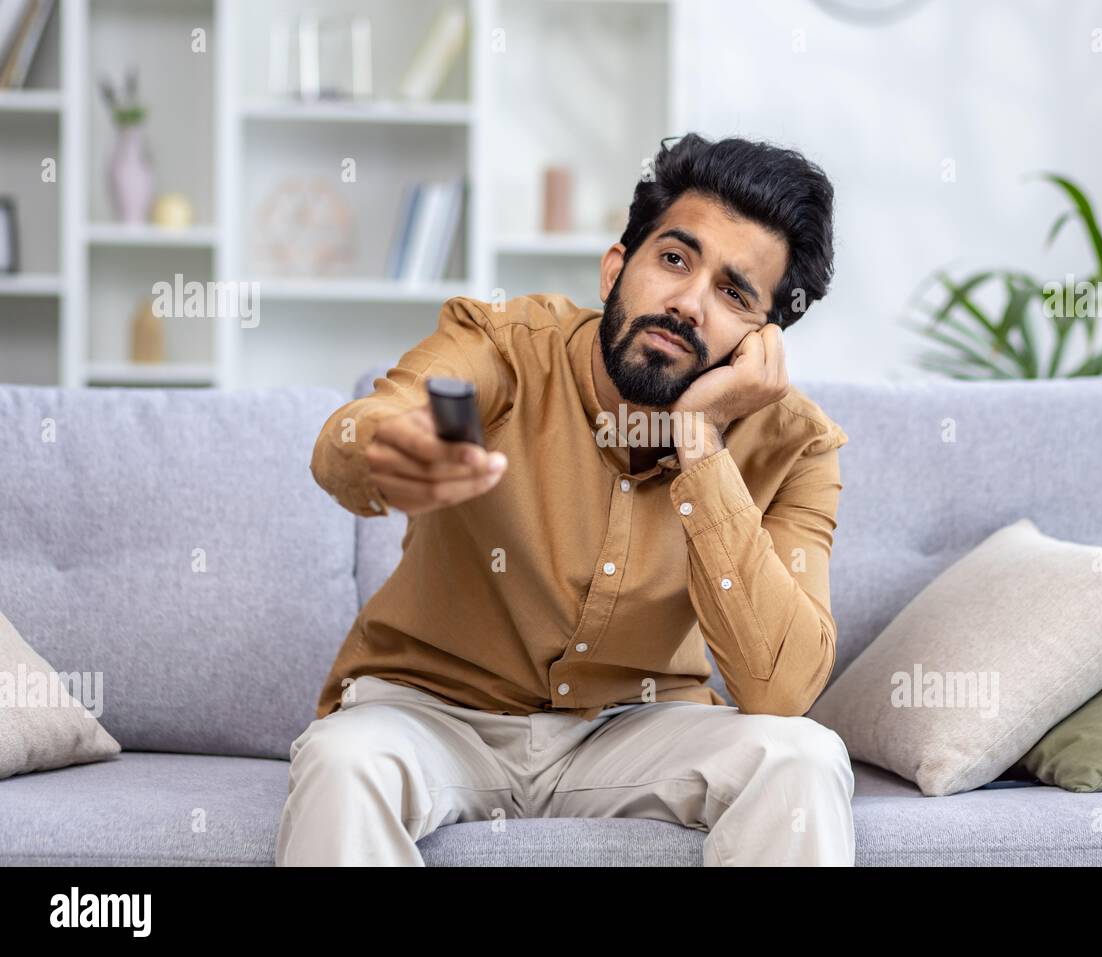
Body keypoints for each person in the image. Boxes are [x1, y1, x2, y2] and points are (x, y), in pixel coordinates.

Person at [275, 132, 855, 866]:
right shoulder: (504, 344)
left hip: (632, 728)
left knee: (801, 757)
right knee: (341, 760)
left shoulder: (796, 445)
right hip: (432, 715)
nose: (686, 303)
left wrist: (699, 441)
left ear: (761, 345)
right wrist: (389, 452)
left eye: (733, 293)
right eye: (674, 259)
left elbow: (783, 688)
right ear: (617, 267)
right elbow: (359, 430)